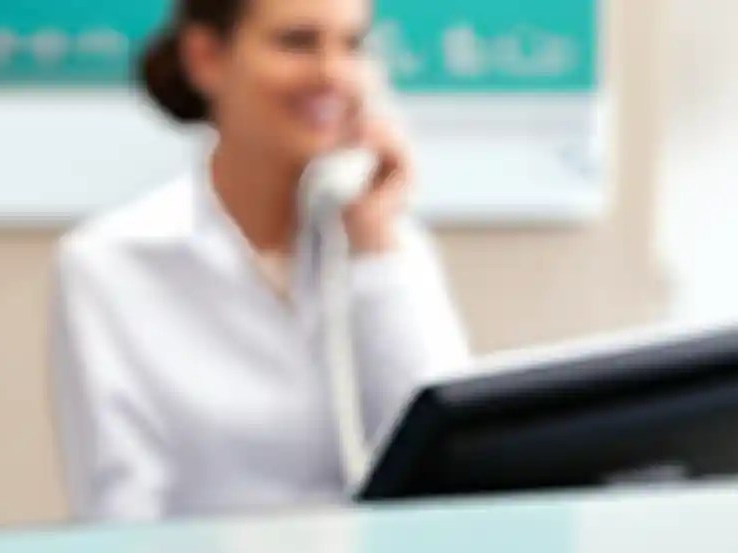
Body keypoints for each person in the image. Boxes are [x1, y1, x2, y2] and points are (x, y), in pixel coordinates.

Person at [50, 0, 469, 522]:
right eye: (297, 42)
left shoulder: (383, 247)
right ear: (206, 58)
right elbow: (119, 514)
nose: (333, 74)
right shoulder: (110, 264)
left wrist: (374, 249)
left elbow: (450, 467)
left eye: (352, 44)